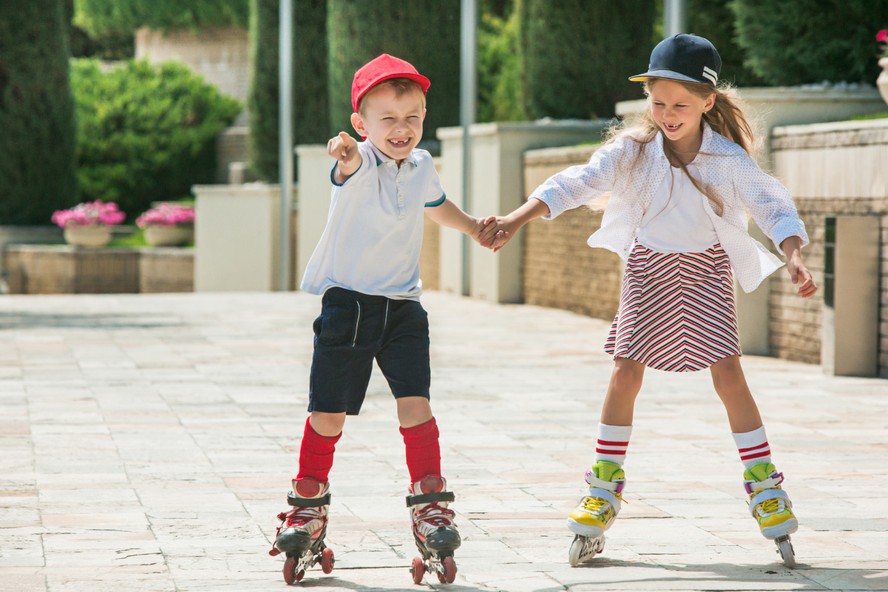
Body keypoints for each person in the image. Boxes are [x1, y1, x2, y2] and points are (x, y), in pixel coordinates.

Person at [481, 34, 817, 561]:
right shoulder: (633, 152)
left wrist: (793, 254)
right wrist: (516, 219)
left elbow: (774, 206)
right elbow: (578, 183)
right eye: (658, 103)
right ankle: (602, 490)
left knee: (729, 373)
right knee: (625, 370)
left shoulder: (727, 159)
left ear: (708, 102)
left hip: (706, 270)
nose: (667, 114)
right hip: (648, 268)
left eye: (680, 104)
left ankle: (764, 485)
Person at [269, 53, 494, 583]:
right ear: (361, 124)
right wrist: (346, 154)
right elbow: (345, 167)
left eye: (412, 117)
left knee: (416, 406)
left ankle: (431, 505)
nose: (401, 129)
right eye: (387, 119)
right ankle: (307, 503)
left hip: (405, 310)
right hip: (347, 307)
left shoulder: (421, 166)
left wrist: (476, 228)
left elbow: (437, 205)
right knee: (329, 414)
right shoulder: (359, 162)